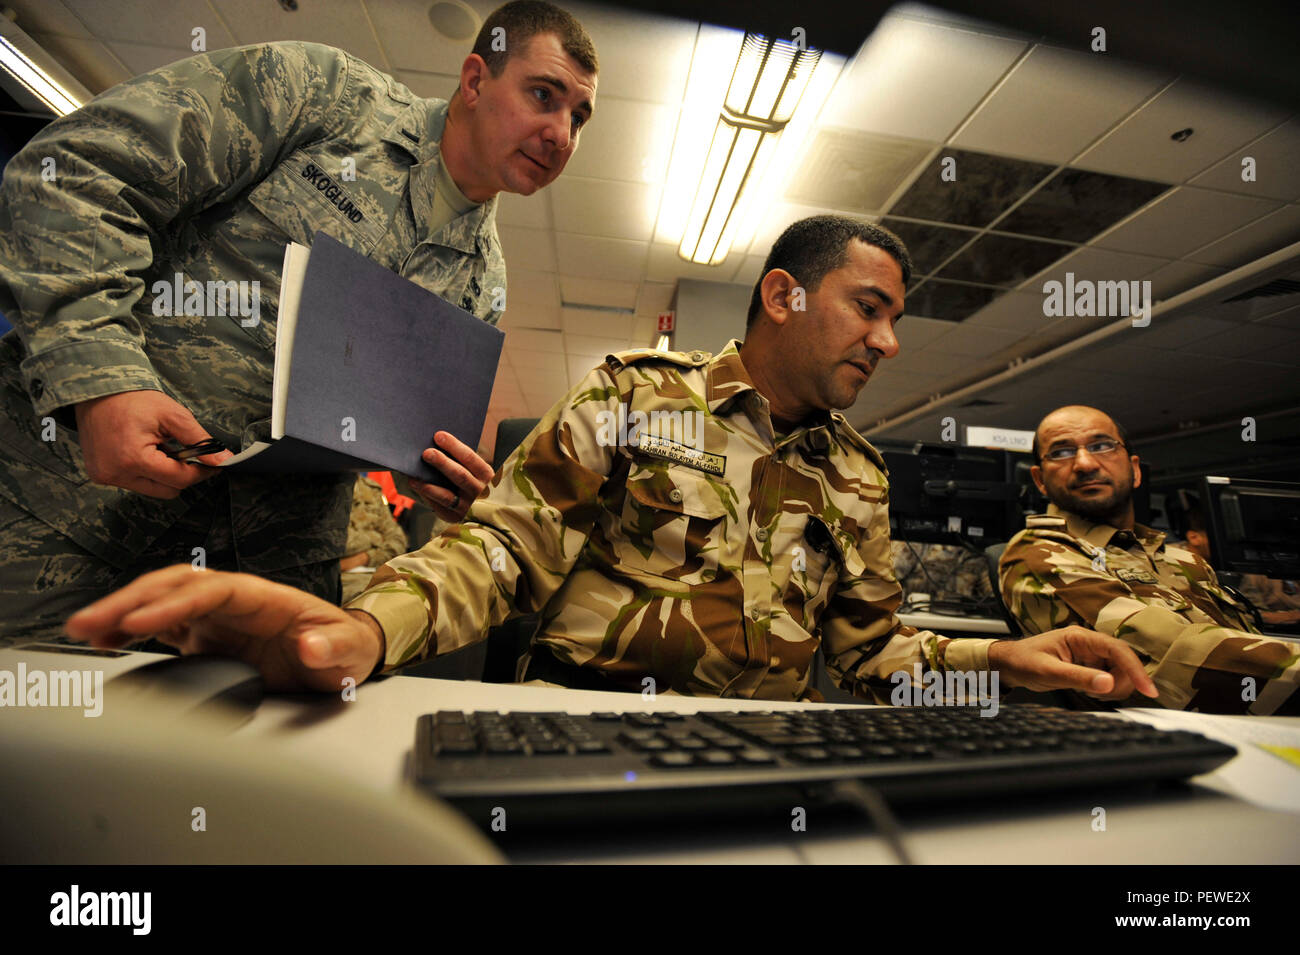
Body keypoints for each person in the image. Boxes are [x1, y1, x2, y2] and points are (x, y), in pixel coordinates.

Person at [67, 216, 1156, 706]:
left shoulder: (857, 476)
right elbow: (498, 550)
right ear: (783, 294)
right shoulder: (637, 398)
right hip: (582, 740)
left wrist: (996, 666)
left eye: (894, 320)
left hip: (765, 768)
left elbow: (870, 665)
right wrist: (362, 625)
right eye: (869, 309)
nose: (888, 340)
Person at [0, 1, 598, 644]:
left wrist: (436, 479)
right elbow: (75, 174)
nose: (561, 133)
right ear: (476, 80)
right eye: (544, 95)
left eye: (579, 117)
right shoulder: (327, 97)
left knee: (199, 751)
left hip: (261, 584)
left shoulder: (485, 282)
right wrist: (102, 380)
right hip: (73, 517)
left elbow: (381, 434)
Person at [999, 405, 1300, 714]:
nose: (1085, 463)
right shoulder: (1040, 554)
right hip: (1174, 738)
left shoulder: (1182, 559)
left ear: (1136, 470)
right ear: (1040, 480)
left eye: (1102, 446)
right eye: (1061, 452)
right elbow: (1169, 656)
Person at [1182, 503, 1300, 628]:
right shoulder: (1171, 563)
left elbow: (1254, 606)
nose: (1233, 544)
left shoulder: (1237, 565)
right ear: (1194, 537)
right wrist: (1279, 617)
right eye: (1225, 537)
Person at [340, 475, 410, 605]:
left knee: (414, 596)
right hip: (342, 580)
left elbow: (398, 541)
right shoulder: (316, 486)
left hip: (377, 570)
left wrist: (365, 557)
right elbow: (334, 545)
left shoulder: (371, 489)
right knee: (379, 602)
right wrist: (377, 538)